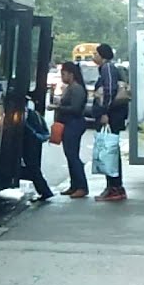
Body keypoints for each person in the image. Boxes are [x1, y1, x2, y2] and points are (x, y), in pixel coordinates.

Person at [90, 43, 129, 201]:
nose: (94, 57)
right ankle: (113, 186)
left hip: (112, 116)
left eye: (96, 54)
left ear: (103, 55)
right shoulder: (107, 68)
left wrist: (105, 111)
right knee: (110, 150)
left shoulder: (107, 69)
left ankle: (115, 187)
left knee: (110, 150)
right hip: (113, 115)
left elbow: (109, 90)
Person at [48, 61, 89, 198]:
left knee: (73, 156)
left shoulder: (76, 89)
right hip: (69, 124)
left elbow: (75, 109)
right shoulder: (70, 87)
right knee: (69, 155)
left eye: (63, 74)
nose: (62, 77)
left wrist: (57, 108)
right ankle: (74, 185)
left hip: (74, 124)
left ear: (71, 74)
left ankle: (82, 186)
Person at [20, 98, 55, 203]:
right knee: (33, 167)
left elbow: (27, 130)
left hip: (30, 142)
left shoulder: (24, 114)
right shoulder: (32, 113)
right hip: (34, 142)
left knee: (33, 168)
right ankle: (44, 191)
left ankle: (45, 191)